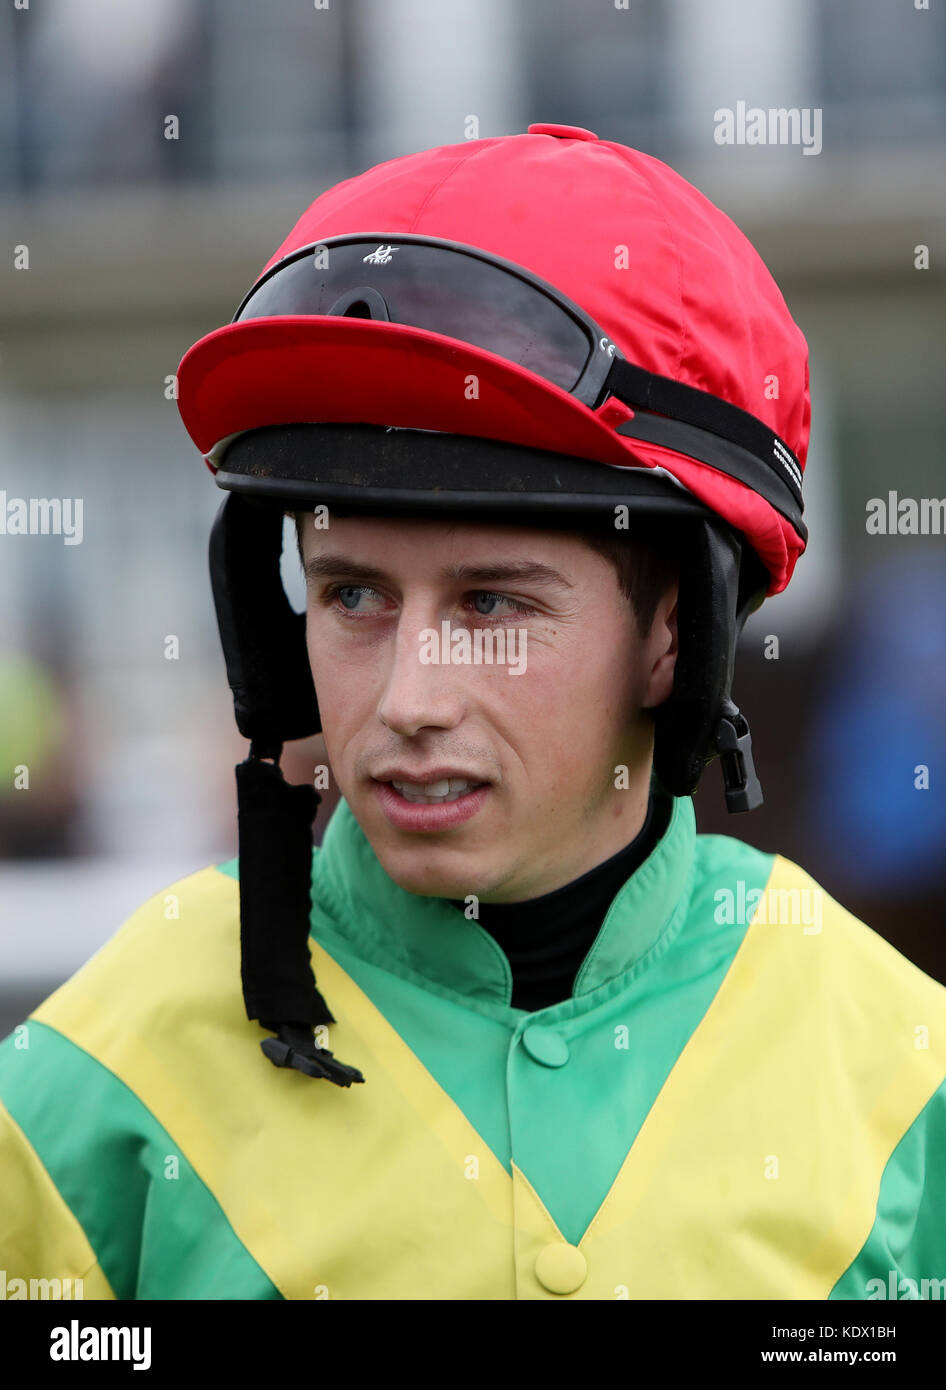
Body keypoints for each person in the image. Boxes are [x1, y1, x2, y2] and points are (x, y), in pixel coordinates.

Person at [2, 124, 945, 1302]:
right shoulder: (98, 1073)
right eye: (352, 594)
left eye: (492, 602)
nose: (406, 699)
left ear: (673, 633)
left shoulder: (904, 1068)